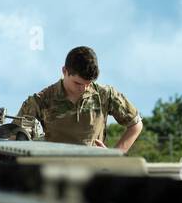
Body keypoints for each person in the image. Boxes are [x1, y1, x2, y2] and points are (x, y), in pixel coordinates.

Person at [16, 46, 144, 152]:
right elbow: (15, 139)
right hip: (54, 172)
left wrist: (115, 155)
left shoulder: (105, 95)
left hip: (95, 173)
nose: (83, 88)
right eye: (78, 83)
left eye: (88, 83)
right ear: (64, 71)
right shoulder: (40, 101)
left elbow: (135, 125)